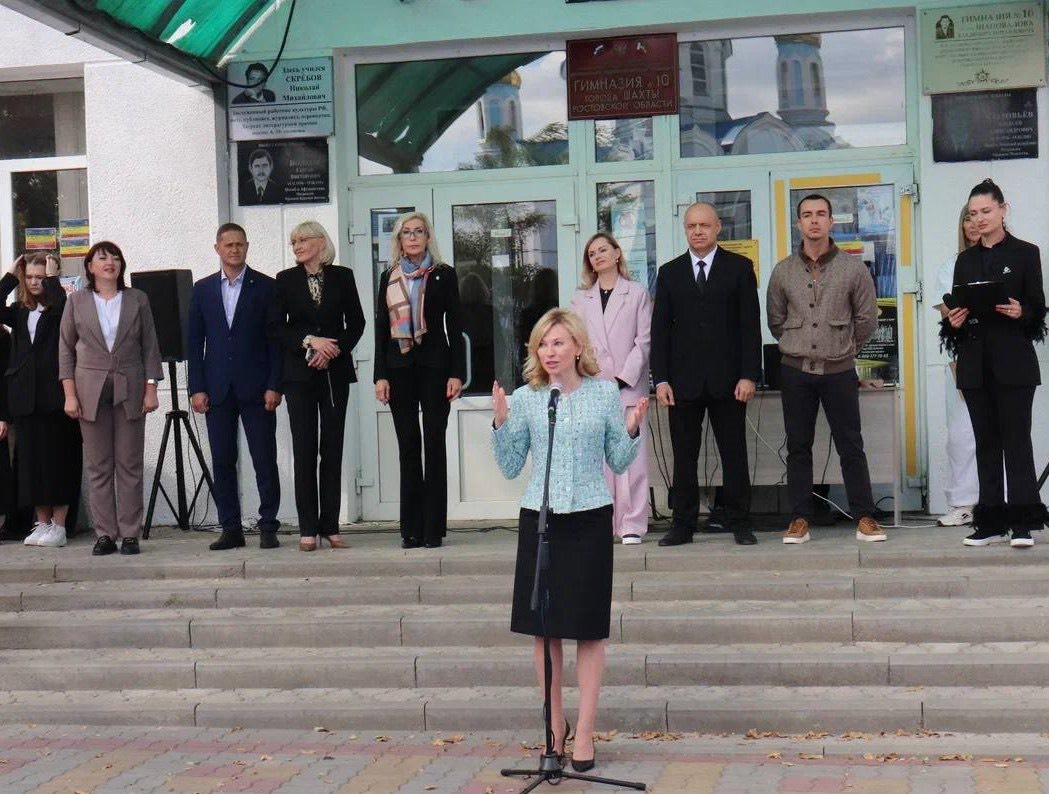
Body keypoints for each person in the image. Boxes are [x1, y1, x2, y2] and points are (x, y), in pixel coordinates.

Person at [492, 308, 647, 773]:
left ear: (577, 346)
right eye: (542, 344)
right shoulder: (528, 397)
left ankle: (585, 730)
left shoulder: (604, 395)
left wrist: (634, 427)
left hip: (589, 519)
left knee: (588, 630)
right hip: (540, 521)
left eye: (558, 343)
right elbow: (510, 465)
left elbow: (619, 461)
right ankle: (554, 726)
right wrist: (501, 424)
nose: (550, 352)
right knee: (544, 629)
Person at [767, 194, 884, 544]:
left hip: (838, 370)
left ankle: (864, 516)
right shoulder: (783, 271)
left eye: (821, 214)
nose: (814, 220)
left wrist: (844, 348)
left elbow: (867, 320)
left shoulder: (853, 269)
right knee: (798, 446)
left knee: (851, 443)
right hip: (795, 370)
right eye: (807, 215)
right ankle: (800, 519)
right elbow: (776, 321)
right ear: (798, 223)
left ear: (832, 222)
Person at [943, 178, 1046, 548]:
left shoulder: (1025, 253)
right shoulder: (965, 260)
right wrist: (952, 322)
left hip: (1014, 362)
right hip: (974, 363)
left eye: (986, 211)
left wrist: (1023, 310)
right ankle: (989, 522)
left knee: (1016, 441)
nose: (980, 219)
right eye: (973, 213)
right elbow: (957, 314)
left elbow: (1037, 308)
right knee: (985, 442)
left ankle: (1021, 523)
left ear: (1003, 209)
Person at [650, 202, 761, 547]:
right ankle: (682, 524)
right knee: (684, 456)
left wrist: (749, 375)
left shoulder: (740, 268)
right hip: (682, 383)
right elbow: (660, 332)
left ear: (717, 229)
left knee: (734, 453)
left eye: (704, 225)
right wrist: (662, 379)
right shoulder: (669, 273)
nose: (697, 231)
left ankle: (739, 521)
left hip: (729, 381)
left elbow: (749, 327)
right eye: (691, 226)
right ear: (685, 230)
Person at [59, 241, 163, 556]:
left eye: (115, 257)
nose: (110, 262)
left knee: (129, 463)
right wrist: (69, 395)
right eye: (102, 257)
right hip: (88, 389)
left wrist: (151, 388)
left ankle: (130, 533)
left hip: (130, 386)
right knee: (99, 465)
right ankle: (105, 534)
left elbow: (150, 347)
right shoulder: (76, 302)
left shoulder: (137, 299)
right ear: (90, 267)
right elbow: (65, 349)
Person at [268, 220, 365, 551]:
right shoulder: (285, 280)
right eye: (293, 242)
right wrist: (310, 341)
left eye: (302, 239)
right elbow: (276, 327)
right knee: (304, 450)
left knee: (332, 450)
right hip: (299, 375)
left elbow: (357, 322)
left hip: (334, 374)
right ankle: (307, 528)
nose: (296, 246)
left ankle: (331, 526)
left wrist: (332, 349)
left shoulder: (343, 276)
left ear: (321, 242)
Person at [188, 224, 283, 551]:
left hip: (257, 388)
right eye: (228, 245)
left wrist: (274, 384)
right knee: (222, 460)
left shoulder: (266, 287)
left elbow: (275, 342)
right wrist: (196, 387)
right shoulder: (202, 290)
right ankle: (231, 528)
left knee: (264, 459)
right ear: (217, 248)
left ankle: (269, 525)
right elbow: (194, 343)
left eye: (240, 245)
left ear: (247, 247)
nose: (234, 250)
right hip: (217, 390)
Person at [374, 212, 465, 549]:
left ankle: (433, 530)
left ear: (428, 237)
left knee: (434, 445)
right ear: (398, 240)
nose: (412, 237)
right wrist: (379, 375)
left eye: (419, 232)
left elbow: (455, 326)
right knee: (408, 446)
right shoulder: (388, 276)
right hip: (398, 368)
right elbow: (382, 328)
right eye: (406, 232)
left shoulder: (443, 275)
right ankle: (410, 528)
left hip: (435, 367)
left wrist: (457, 372)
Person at [570, 232, 652, 544]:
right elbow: (576, 343)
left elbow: (643, 341)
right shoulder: (580, 299)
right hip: (592, 386)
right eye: (592, 253)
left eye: (603, 250)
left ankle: (632, 523)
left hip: (628, 386)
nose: (598, 256)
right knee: (598, 460)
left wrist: (622, 377)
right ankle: (602, 520)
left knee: (632, 458)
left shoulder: (637, 293)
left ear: (617, 253)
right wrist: (589, 377)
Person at [0, 254, 79, 547]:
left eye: (40, 277)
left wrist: (53, 277)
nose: (35, 282)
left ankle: (59, 526)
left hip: (56, 395)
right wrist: (10, 276)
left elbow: (61, 303)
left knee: (58, 460)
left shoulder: (60, 308)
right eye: (30, 277)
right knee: (31, 464)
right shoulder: (19, 311)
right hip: (25, 397)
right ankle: (41, 523)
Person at [932, 207, 981, 527]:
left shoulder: (1011, 258)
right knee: (962, 435)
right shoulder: (951, 265)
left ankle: (999, 502)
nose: (973, 223)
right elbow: (945, 311)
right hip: (964, 356)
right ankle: (963, 503)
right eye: (966, 218)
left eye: (980, 215)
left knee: (1001, 433)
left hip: (1002, 357)